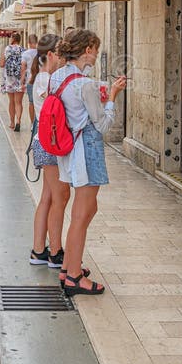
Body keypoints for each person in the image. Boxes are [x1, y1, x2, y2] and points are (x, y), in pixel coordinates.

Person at [50, 30, 126, 296]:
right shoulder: (85, 84)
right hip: (87, 150)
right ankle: (73, 277)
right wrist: (113, 96)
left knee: (87, 210)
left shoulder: (58, 77)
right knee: (82, 215)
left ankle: (69, 265)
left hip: (67, 150)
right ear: (85, 50)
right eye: (95, 49)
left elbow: (74, 110)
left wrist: (99, 96)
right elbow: (103, 124)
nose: (96, 53)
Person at [27, 33, 71, 272]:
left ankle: (39, 249)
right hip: (49, 144)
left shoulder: (43, 77)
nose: (64, 59)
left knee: (48, 197)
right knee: (59, 196)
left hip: (43, 142)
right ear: (52, 55)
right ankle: (55, 251)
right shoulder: (46, 80)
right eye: (61, 54)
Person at [0, 33, 25, 132]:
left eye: (11, 37)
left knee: (11, 102)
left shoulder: (7, 49)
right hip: (20, 78)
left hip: (9, 78)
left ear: (13, 39)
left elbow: (2, 64)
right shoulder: (23, 50)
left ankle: (12, 122)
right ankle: (18, 121)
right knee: (18, 102)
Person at [20, 33, 39, 126]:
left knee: (31, 102)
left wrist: (22, 82)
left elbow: (23, 69)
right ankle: (39, 120)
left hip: (30, 80)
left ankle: (32, 124)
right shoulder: (40, 52)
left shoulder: (25, 54)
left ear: (28, 43)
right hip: (39, 80)